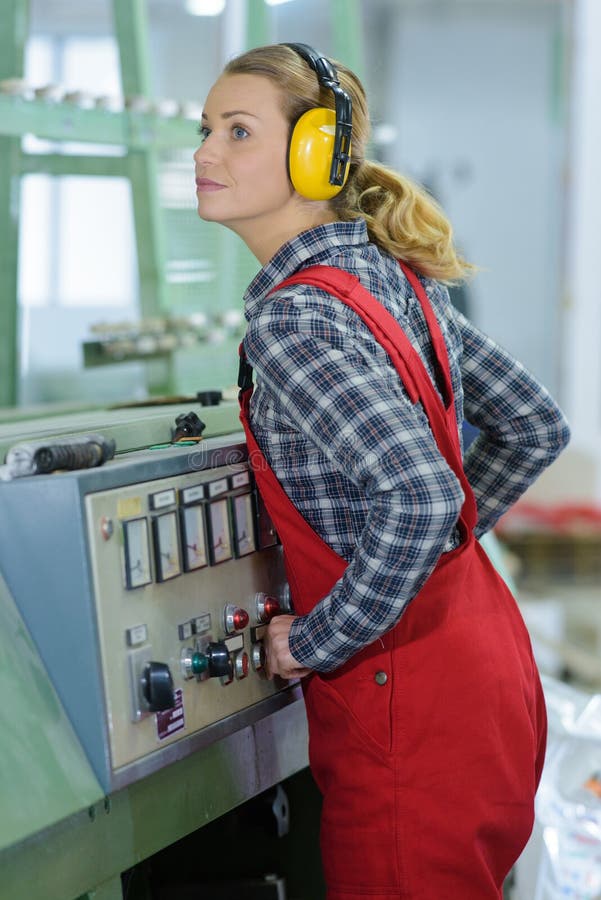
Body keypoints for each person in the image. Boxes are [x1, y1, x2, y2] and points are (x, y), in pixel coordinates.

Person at [194, 42, 570, 900]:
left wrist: (317, 640)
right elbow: (533, 426)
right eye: (206, 128)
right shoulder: (391, 279)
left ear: (313, 154)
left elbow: (418, 492)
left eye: (238, 131)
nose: (205, 154)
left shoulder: (292, 322)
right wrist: (438, 548)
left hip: (407, 710)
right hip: (482, 675)